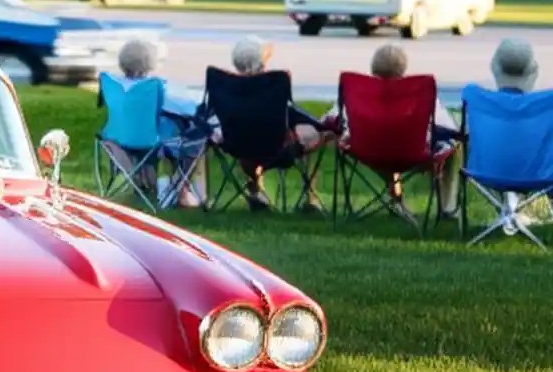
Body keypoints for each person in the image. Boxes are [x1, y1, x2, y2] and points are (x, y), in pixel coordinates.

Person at [321, 42, 461, 220]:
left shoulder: (358, 91)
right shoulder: (417, 91)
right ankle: (447, 208)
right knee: (452, 148)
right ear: (403, 68)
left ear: (372, 67)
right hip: (412, 153)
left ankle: (396, 200)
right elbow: (450, 129)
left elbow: (330, 120)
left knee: (383, 139)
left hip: (367, 151)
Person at [218, 35, 331, 212]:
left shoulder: (226, 88)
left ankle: (256, 189)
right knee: (316, 133)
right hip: (279, 151)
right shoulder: (273, 86)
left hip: (238, 148)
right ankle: (310, 196)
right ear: (262, 62)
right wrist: (322, 125)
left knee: (247, 140)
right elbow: (294, 114)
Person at [106, 37, 220, 208]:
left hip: (118, 141)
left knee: (169, 127)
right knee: (194, 134)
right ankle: (188, 191)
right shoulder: (156, 87)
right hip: (153, 142)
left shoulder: (112, 84)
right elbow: (191, 108)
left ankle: (160, 188)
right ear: (150, 62)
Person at [487, 38, 549, 230]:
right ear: (532, 70)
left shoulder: (480, 100)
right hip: (537, 174)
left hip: (487, 171)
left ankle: (508, 211)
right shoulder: (545, 104)